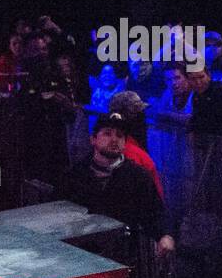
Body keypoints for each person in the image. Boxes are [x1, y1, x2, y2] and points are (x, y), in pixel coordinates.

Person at [58, 112, 175, 266]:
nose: (114, 139)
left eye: (120, 136)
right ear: (93, 139)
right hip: (81, 257)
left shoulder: (138, 176)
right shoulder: (75, 175)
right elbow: (58, 215)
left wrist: (165, 236)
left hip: (124, 258)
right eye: (107, 134)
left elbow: (154, 212)